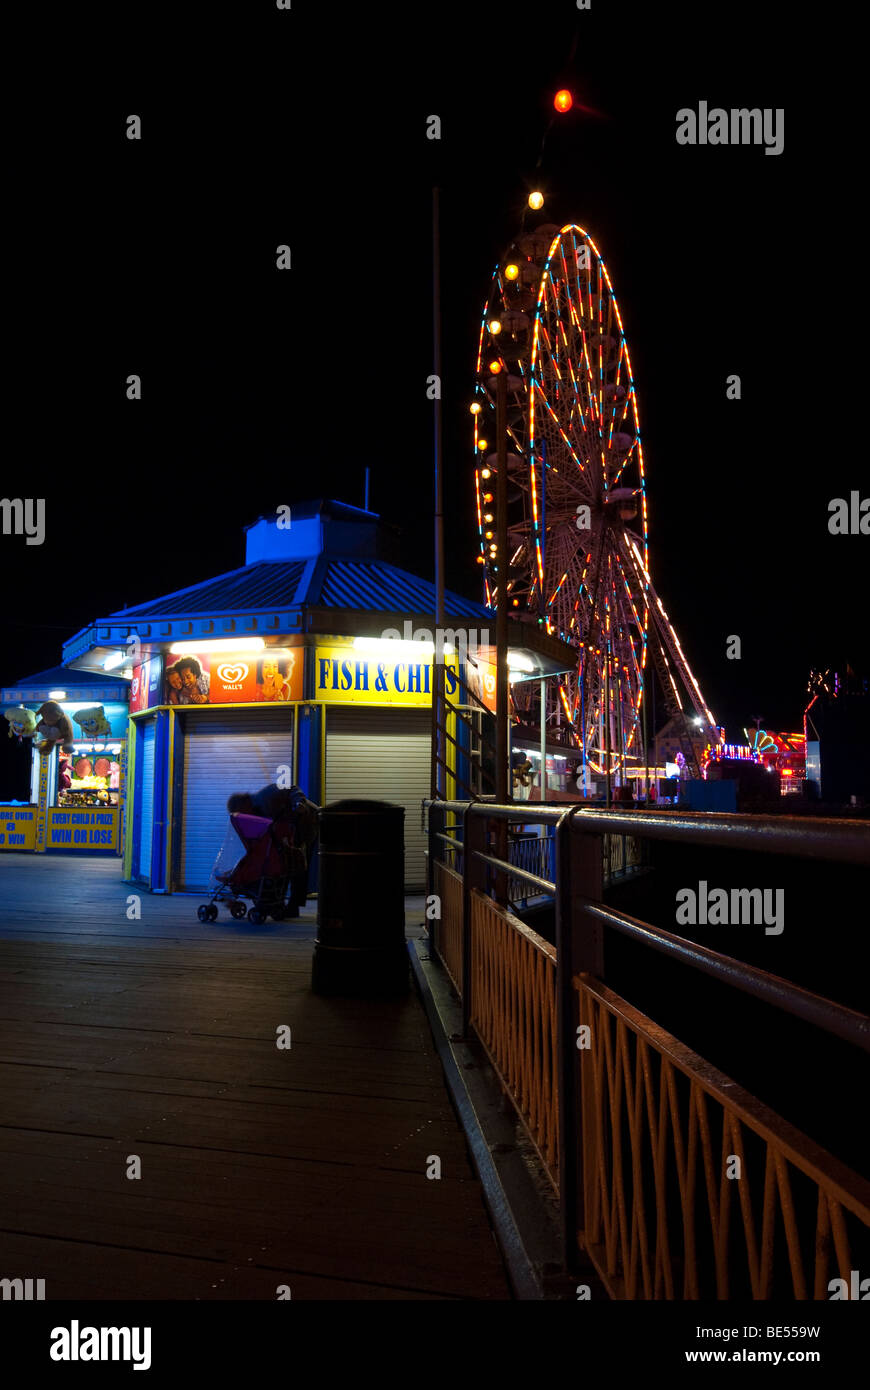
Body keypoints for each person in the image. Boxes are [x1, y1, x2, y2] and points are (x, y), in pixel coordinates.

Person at [227, 783, 319, 915]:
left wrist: (299, 803)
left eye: (241, 812)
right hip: (290, 830)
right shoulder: (256, 811)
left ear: (244, 802)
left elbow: (292, 788)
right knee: (284, 864)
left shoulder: (266, 795)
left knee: (297, 863)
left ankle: (293, 906)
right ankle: (281, 903)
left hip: (306, 820)